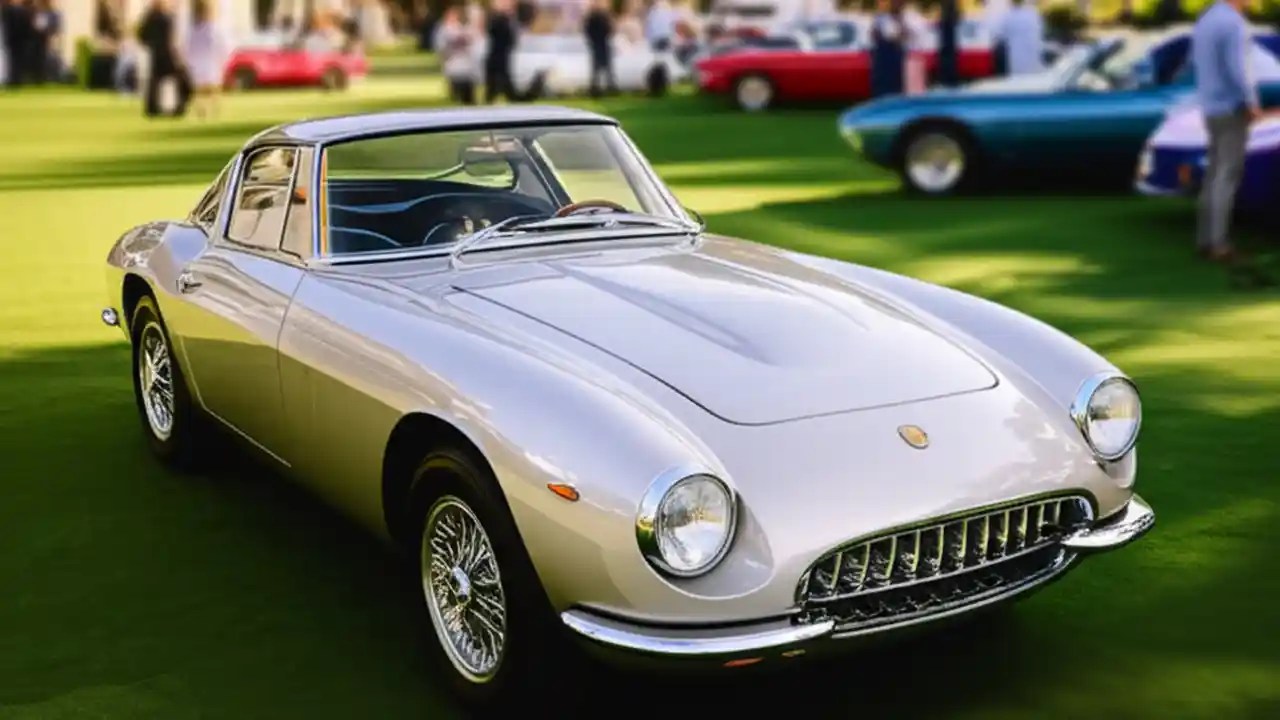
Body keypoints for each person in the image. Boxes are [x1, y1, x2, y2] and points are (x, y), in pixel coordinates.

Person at [1192, 0, 1263, 266]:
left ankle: (1205, 239)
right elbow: (1239, 68)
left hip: (1210, 106)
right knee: (1227, 174)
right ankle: (1219, 243)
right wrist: (1251, 101)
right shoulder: (1234, 23)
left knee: (1213, 174)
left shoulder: (1206, 18)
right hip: (1231, 107)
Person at [183, 0, 229, 119]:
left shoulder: (195, 29)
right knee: (209, 89)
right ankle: (209, 110)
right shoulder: (210, 29)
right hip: (206, 62)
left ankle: (205, 110)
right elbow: (221, 45)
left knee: (203, 89)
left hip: (201, 62)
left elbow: (188, 47)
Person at [137, 0, 184, 117]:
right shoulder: (166, 18)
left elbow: (142, 36)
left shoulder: (149, 18)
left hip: (155, 53)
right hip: (167, 54)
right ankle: (179, 106)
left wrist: (151, 44)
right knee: (179, 79)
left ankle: (152, 108)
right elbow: (171, 39)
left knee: (155, 81)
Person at [435, 5, 479, 105]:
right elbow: (441, 49)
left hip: (466, 68)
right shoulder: (443, 30)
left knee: (469, 98)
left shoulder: (462, 29)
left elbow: (472, 44)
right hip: (453, 67)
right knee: (456, 96)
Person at [996, 0, 1043, 76]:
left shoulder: (1008, 16)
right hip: (1033, 55)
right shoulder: (1032, 14)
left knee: (1019, 76)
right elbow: (1040, 31)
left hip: (1016, 56)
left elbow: (1000, 35)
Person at [870, 0, 906, 98]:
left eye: (900, 3)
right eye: (895, 2)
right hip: (884, 55)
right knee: (883, 82)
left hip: (897, 54)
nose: (897, 4)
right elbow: (874, 34)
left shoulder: (905, 18)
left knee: (897, 82)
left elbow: (905, 36)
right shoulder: (881, 18)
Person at [483, 0, 515, 103]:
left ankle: (495, 95)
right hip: (497, 54)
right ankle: (492, 96)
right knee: (495, 78)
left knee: (500, 78)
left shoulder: (505, 20)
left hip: (501, 54)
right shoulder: (497, 20)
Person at [583, 0, 615, 97]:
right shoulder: (592, 18)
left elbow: (609, 29)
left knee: (607, 68)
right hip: (597, 45)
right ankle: (595, 89)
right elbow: (588, 31)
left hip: (603, 44)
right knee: (596, 69)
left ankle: (610, 87)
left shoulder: (603, 17)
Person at [2, 0, 32, 87]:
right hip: (16, 40)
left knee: (14, 61)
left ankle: (13, 79)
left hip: (13, 40)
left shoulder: (10, 11)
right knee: (15, 61)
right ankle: (14, 79)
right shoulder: (13, 11)